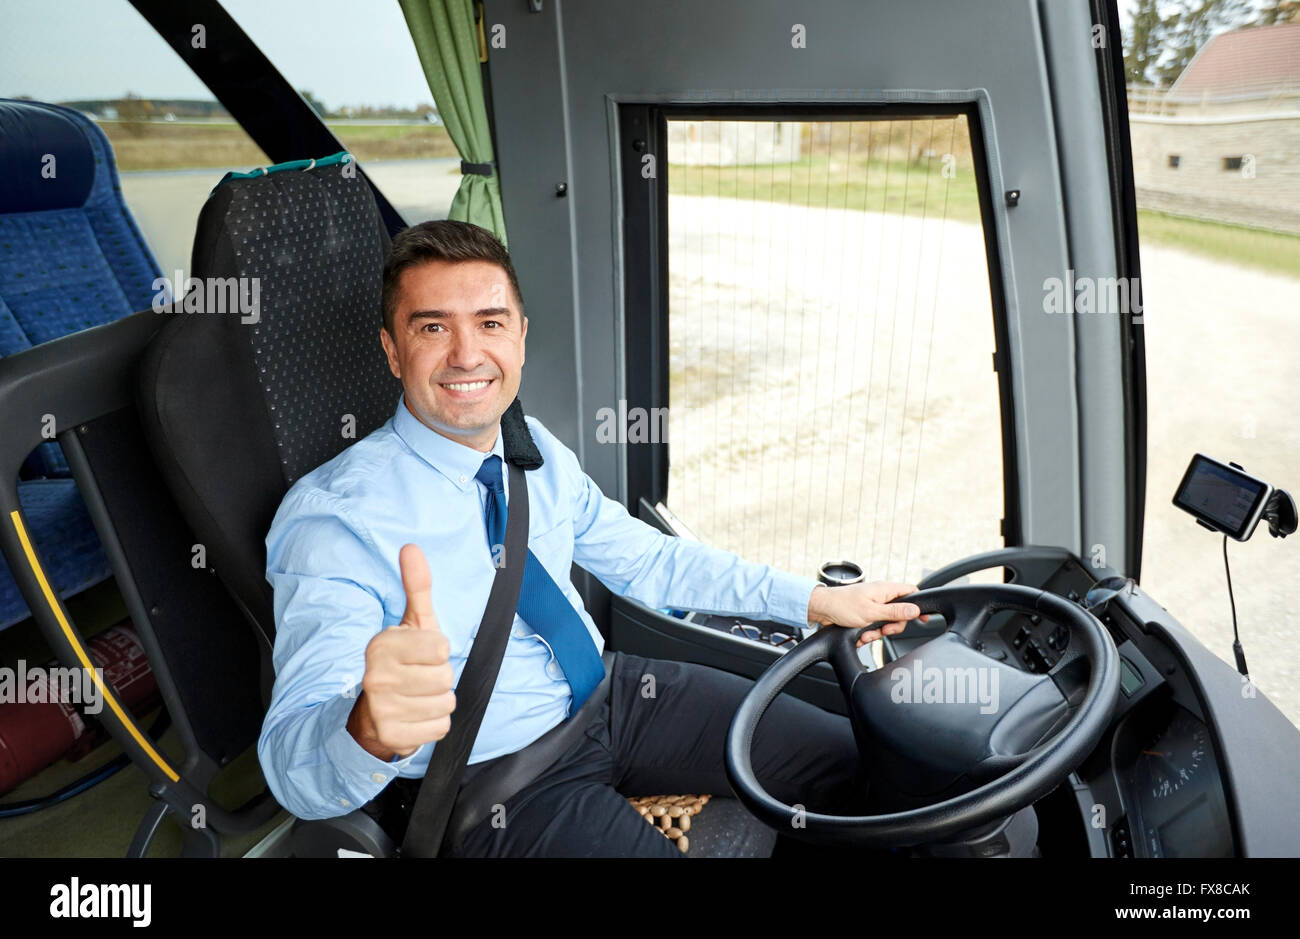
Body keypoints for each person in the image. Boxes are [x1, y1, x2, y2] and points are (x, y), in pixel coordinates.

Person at [256, 219, 924, 857]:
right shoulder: (333, 518)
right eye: (432, 327)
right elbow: (294, 771)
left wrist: (814, 600)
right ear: (393, 349)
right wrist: (366, 729)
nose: (466, 354)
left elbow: (648, 560)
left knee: (869, 765)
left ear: (519, 336)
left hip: (614, 697)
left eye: (489, 323)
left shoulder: (531, 447)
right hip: (502, 779)